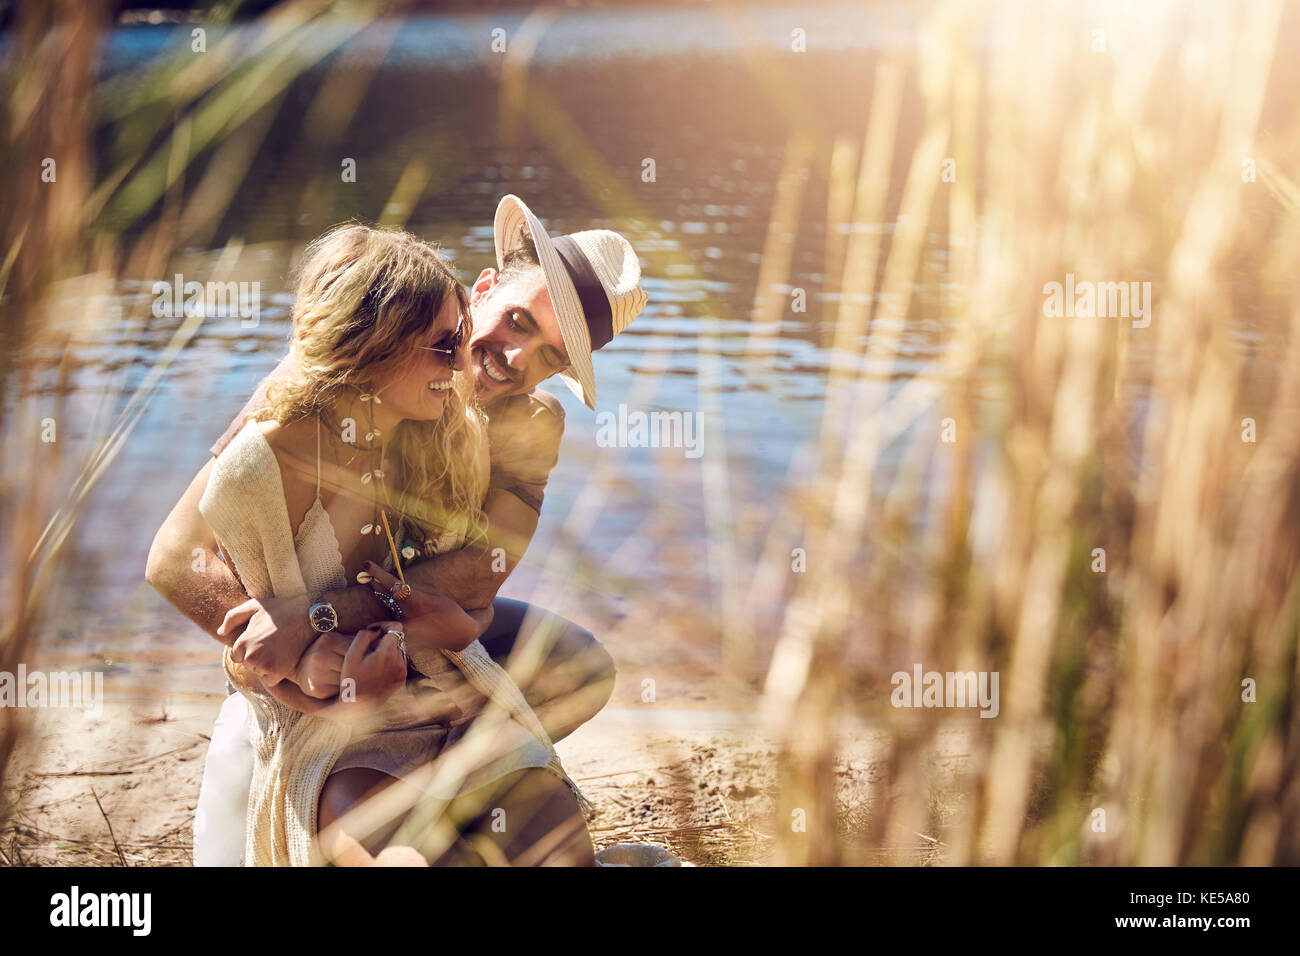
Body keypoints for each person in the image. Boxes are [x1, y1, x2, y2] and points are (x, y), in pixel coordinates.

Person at [146, 197, 650, 864]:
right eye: (519, 321)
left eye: (548, 355)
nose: (514, 357)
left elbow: (480, 574)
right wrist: (288, 654)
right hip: (334, 654)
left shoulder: (532, 424)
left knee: (579, 666)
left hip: (409, 633)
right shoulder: (325, 381)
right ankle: (374, 795)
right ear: (485, 287)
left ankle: (458, 789)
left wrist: (319, 615)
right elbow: (177, 554)